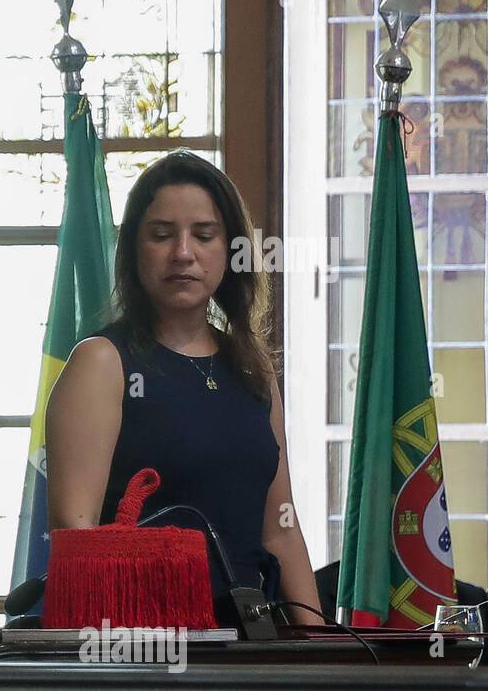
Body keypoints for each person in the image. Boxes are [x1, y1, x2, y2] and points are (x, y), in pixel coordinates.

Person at [44, 151, 324, 627]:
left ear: (230, 249)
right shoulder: (102, 361)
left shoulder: (254, 369)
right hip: (141, 652)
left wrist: (321, 655)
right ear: (134, 249)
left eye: (203, 235)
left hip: (255, 645)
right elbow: (77, 538)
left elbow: (280, 528)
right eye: (161, 235)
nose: (183, 253)